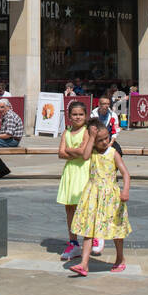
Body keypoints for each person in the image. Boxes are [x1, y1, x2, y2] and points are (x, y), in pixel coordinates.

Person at [67, 126, 131, 276]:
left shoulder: (113, 153)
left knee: (115, 228)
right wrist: (91, 137)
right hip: (93, 194)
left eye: (106, 138)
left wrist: (125, 190)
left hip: (111, 196)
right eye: (99, 140)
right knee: (88, 228)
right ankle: (84, 264)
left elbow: (125, 173)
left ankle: (120, 258)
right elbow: (84, 156)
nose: (104, 142)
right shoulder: (93, 153)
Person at [56, 100, 94, 261]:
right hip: (70, 172)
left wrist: (69, 150)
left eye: (80, 114)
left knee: (83, 206)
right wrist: (75, 151)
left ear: (86, 116)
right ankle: (73, 242)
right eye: (74, 114)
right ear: (69, 116)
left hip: (83, 171)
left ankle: (89, 238)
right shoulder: (66, 132)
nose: (77, 117)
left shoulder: (87, 131)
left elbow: (84, 151)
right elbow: (60, 153)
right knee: (69, 207)